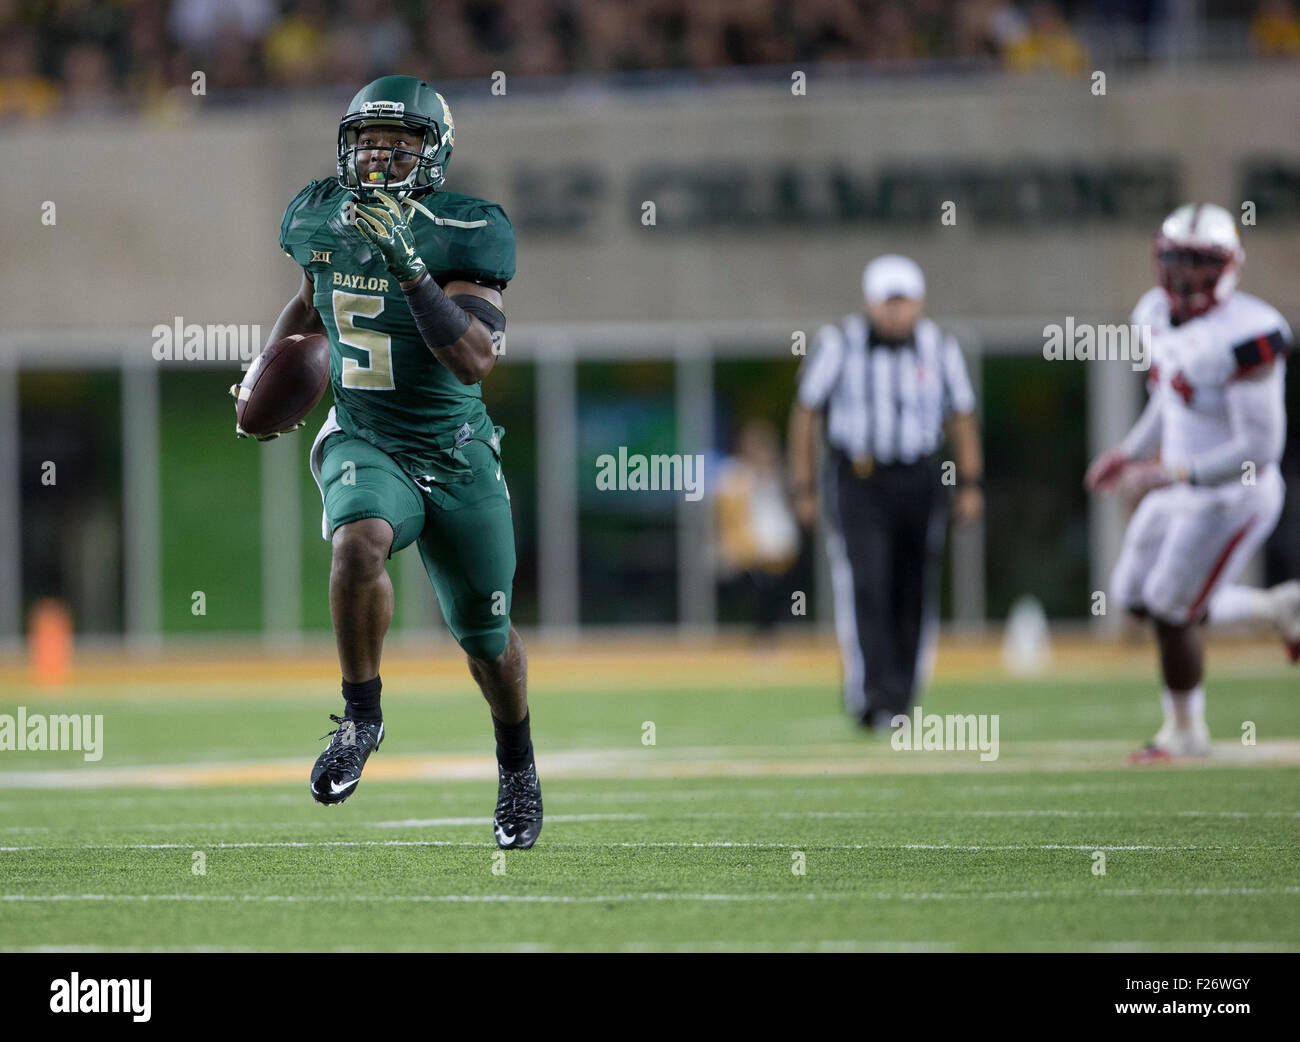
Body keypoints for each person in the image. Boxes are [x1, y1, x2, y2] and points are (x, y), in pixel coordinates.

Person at [235, 75, 541, 848]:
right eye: (368, 139)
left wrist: (408, 265)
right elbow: (312, 296)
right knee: (359, 539)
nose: (379, 153)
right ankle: (361, 717)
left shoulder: (467, 228)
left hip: (457, 449)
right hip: (365, 433)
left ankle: (517, 771)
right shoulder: (319, 213)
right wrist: (264, 370)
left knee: (488, 639)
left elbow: (475, 360)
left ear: (433, 153)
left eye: (399, 141)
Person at [1086, 203, 1300, 764]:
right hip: (1180, 487)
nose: (1185, 273)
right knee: (1131, 598)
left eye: (1199, 261)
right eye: (1176, 258)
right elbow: (1170, 393)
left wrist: (1173, 472)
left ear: (1229, 264)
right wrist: (1128, 452)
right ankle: (1276, 609)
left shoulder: (1249, 333)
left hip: (1234, 496)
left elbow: (1261, 449)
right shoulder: (1153, 313)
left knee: (1170, 608)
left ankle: (1186, 732)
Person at [789, 254, 984, 728]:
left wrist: (971, 482)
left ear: (918, 303)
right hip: (860, 478)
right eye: (888, 303)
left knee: (913, 586)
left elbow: (959, 415)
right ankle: (871, 692)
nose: (896, 313)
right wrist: (803, 485)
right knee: (866, 581)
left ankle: (902, 694)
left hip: (918, 476)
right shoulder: (839, 344)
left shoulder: (940, 346)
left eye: (904, 302)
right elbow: (806, 411)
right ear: (871, 303)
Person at [716, 418, 800, 635]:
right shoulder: (734, 476)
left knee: (782, 583)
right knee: (761, 581)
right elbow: (730, 518)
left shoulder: (778, 476)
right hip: (750, 549)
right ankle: (760, 630)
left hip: (780, 550)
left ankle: (778, 626)